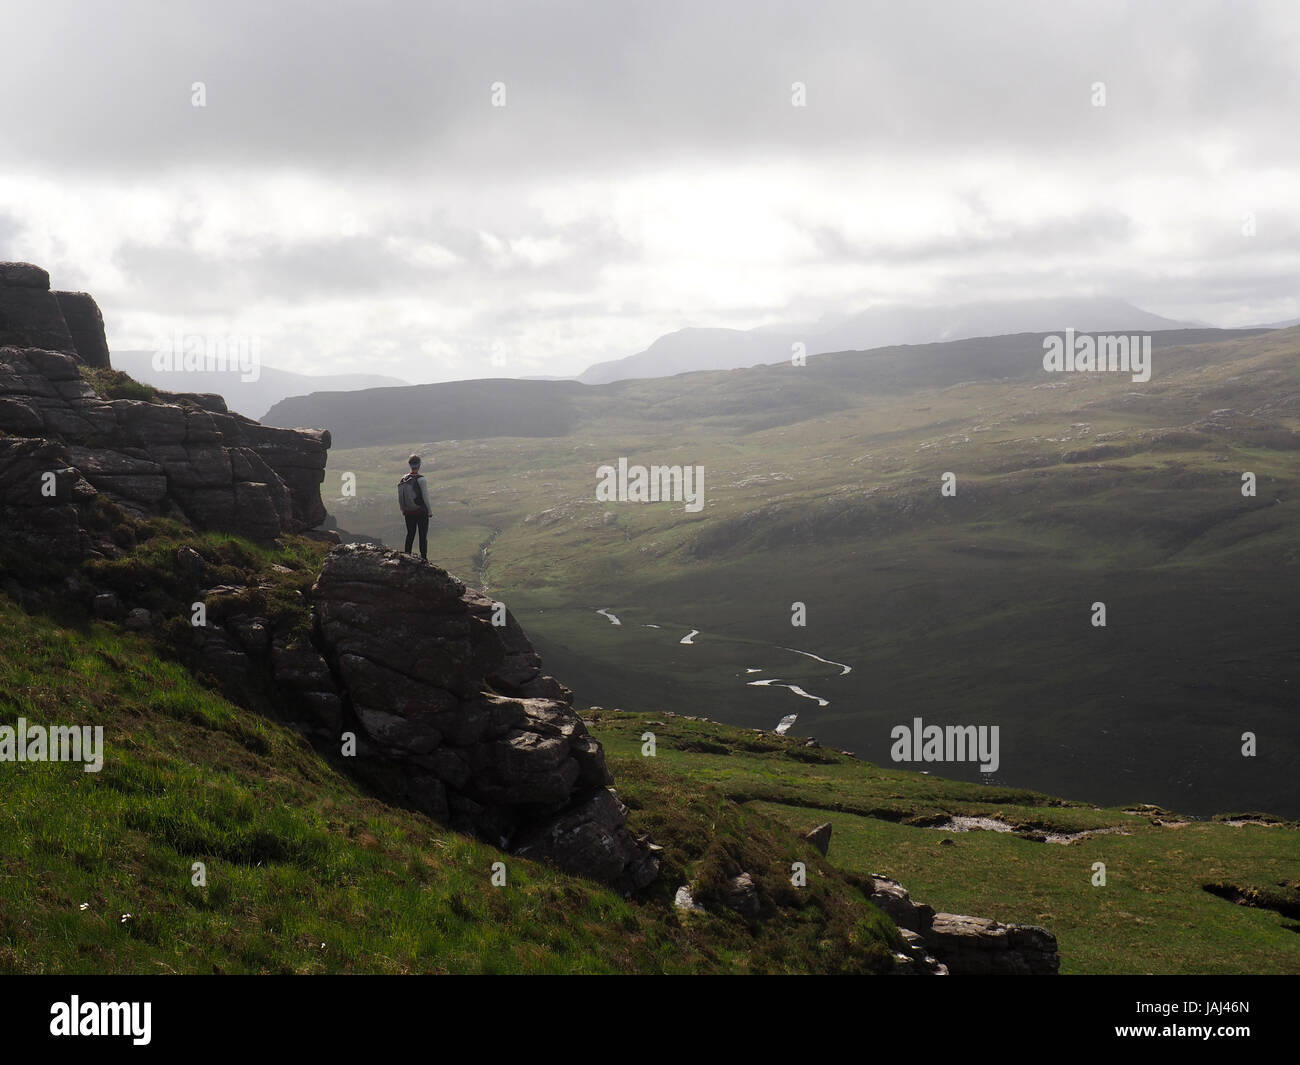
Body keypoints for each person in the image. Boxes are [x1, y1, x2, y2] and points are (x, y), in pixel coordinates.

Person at [398, 453, 433, 560]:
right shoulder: (421, 479)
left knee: (410, 534)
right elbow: (425, 497)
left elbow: (400, 496)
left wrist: (403, 509)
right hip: (420, 511)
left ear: (410, 465)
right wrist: (429, 511)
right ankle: (424, 558)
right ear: (419, 465)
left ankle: (406, 555)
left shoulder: (403, 479)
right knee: (422, 536)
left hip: (408, 511)